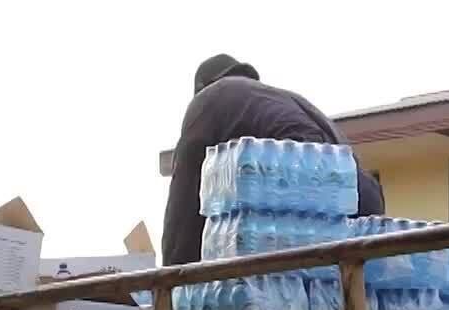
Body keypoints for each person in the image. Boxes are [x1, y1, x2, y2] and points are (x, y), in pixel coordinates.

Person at [161, 54, 386, 265]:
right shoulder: (279, 100)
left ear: (201, 88)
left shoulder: (208, 99)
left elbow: (184, 201)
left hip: (306, 184)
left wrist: (171, 284)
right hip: (362, 200)